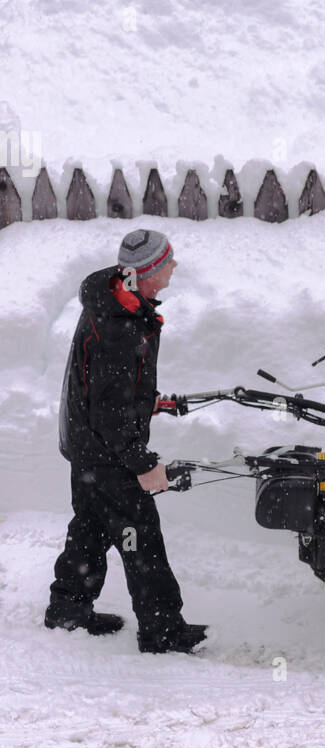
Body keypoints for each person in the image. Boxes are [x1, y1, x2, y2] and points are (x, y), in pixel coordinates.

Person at [44, 229, 207, 654]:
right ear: (149, 272)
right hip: (106, 453)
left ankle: (69, 609)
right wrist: (143, 464)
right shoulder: (118, 327)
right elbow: (110, 412)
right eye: (168, 261)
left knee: (91, 527)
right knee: (142, 539)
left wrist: (147, 402)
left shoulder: (117, 300)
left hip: (87, 445)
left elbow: (108, 390)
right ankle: (162, 632)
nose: (174, 266)